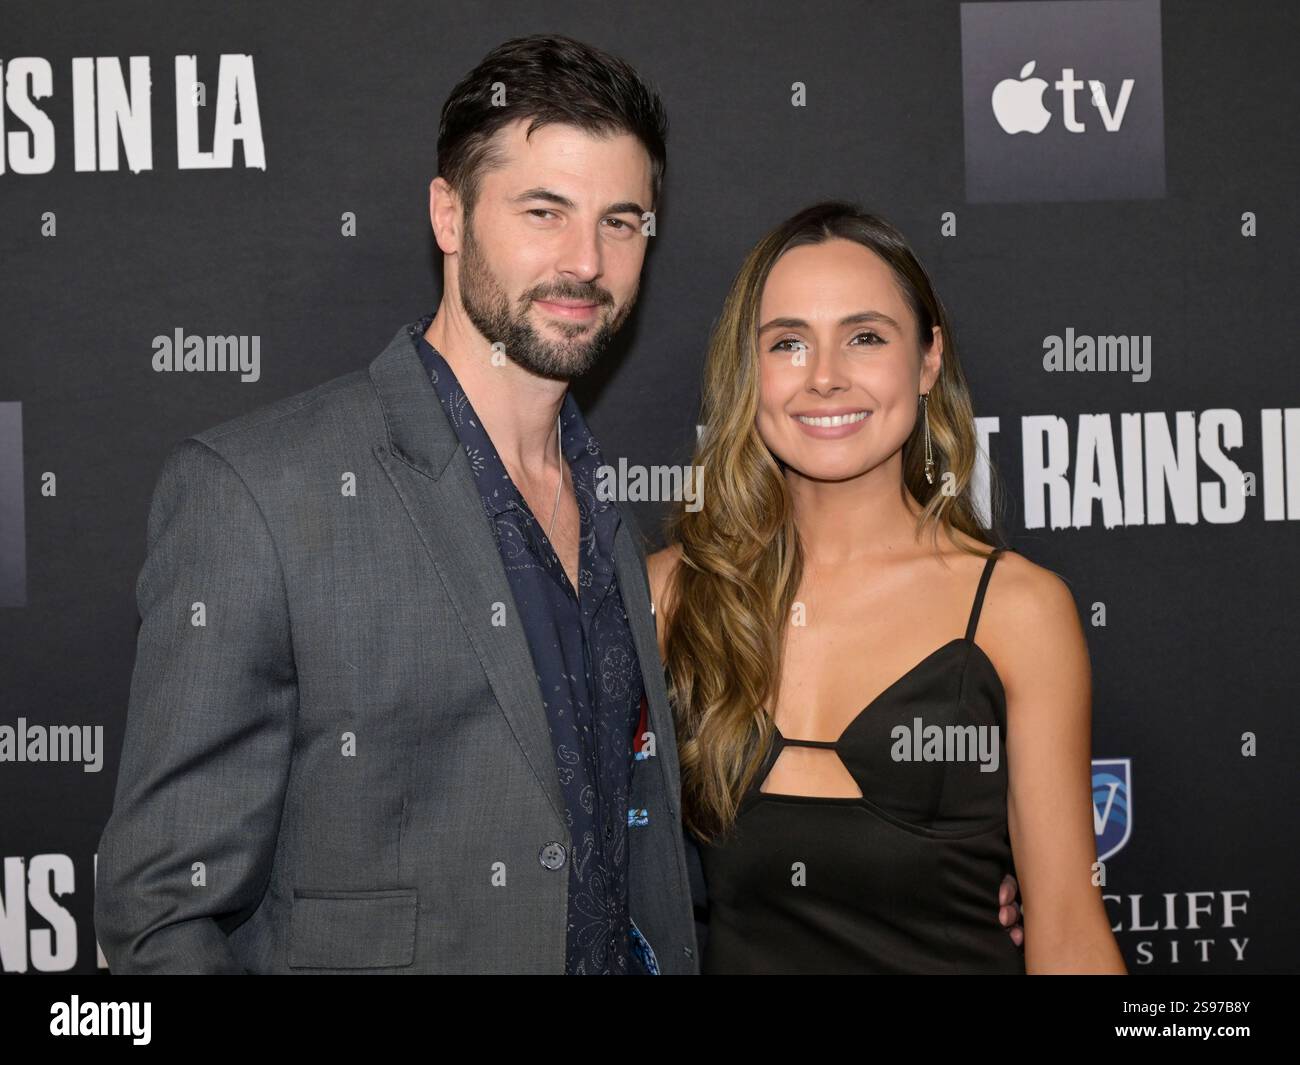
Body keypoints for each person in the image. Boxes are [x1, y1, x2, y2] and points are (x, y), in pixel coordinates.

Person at [94, 33, 693, 975]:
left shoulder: (611, 519)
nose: (587, 260)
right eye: (545, 211)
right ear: (448, 216)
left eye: (622, 221)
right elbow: (163, 918)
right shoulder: (257, 493)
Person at [648, 202, 1125, 974]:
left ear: (928, 360)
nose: (826, 376)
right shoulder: (674, 597)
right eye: (789, 342)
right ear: (750, 368)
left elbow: (1068, 935)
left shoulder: (1016, 610)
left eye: (865, 337)